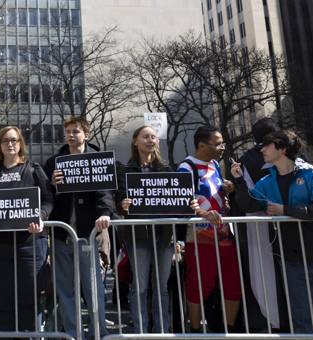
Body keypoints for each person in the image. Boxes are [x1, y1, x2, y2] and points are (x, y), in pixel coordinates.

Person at [231, 129, 313, 333]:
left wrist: (286, 211)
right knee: (302, 319)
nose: (262, 149)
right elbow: (249, 204)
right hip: (293, 260)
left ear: (282, 149)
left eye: (267, 145)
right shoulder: (267, 181)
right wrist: (239, 181)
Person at [0, 126, 54, 336]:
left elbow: (47, 200)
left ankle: (32, 335)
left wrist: (42, 217)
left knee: (30, 298)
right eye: (5, 141)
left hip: (29, 245)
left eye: (14, 140)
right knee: (3, 299)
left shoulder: (33, 169)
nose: (10, 144)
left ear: (20, 144)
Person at [43, 117, 112, 339]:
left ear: (86, 134)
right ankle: (73, 333)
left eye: (76, 132)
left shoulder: (98, 159)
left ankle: (98, 333)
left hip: (87, 236)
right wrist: (51, 185)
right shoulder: (54, 162)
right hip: (62, 236)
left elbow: (105, 193)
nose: (71, 136)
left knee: (93, 289)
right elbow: (44, 198)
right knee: (65, 291)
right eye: (68, 132)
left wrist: (104, 213)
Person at [178, 126, 240, 332]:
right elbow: (184, 201)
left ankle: (228, 330)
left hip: (224, 234)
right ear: (202, 145)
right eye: (218, 143)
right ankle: (195, 331)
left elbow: (216, 191)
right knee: (199, 284)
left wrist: (226, 188)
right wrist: (204, 214)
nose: (222, 147)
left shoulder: (215, 164)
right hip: (199, 236)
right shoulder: (186, 168)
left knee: (232, 281)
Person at [115, 125, 175, 333]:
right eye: (146, 136)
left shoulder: (167, 170)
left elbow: (176, 200)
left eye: (154, 137)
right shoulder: (124, 170)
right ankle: (140, 331)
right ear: (135, 141)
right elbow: (116, 200)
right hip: (138, 237)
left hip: (164, 236)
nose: (151, 140)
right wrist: (121, 206)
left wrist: (189, 204)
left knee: (162, 288)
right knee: (139, 287)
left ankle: (162, 331)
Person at [229, 117, 281, 331]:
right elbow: (249, 201)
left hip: (262, 227)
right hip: (263, 223)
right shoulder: (250, 160)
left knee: (266, 276)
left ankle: (275, 320)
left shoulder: (247, 159)